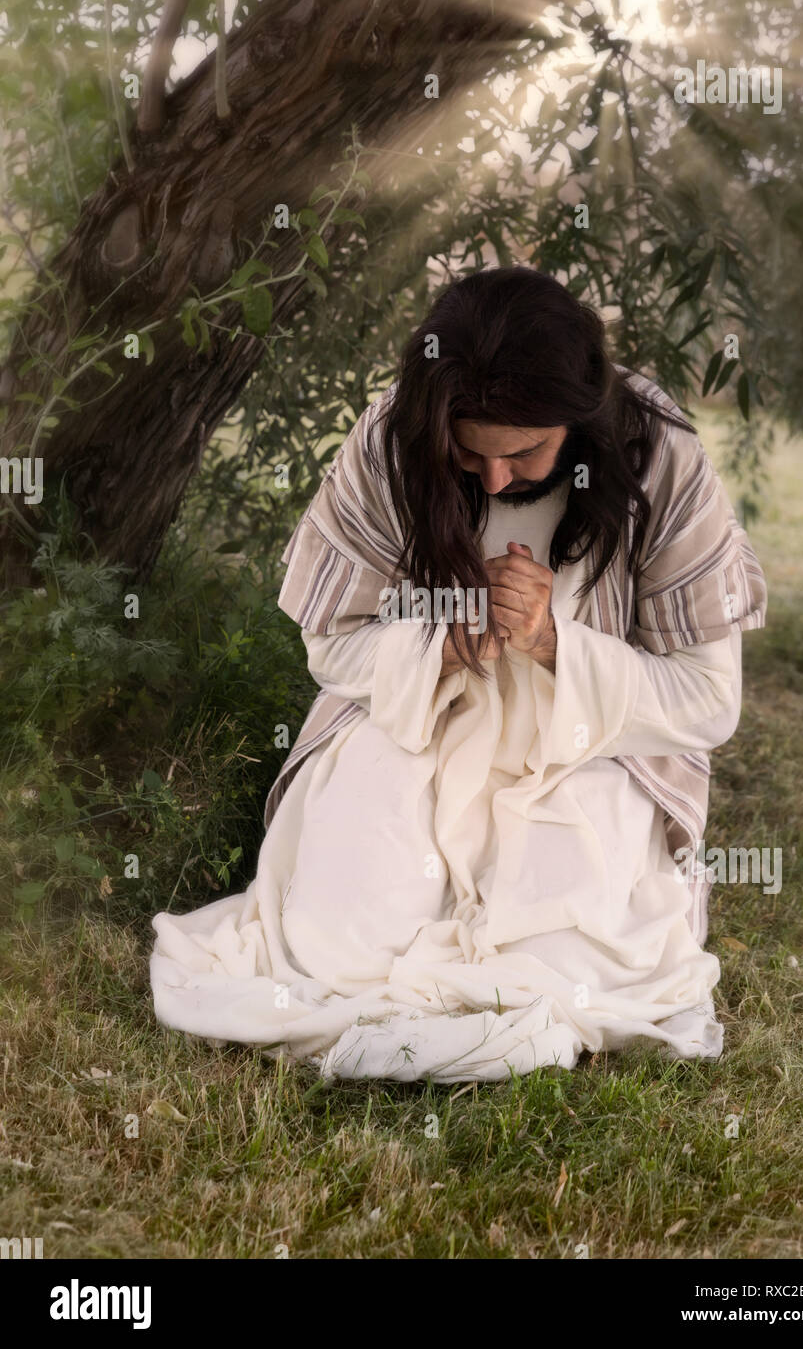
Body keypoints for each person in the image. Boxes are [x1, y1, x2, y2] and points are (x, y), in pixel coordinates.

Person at [150, 266, 768, 1082]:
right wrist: (439, 646)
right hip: (417, 720)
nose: (497, 480)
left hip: (587, 746)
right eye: (471, 455)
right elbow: (330, 645)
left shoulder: (658, 453)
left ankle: (498, 1011)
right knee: (341, 937)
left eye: (525, 452)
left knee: (566, 954)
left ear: (580, 420)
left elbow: (710, 702)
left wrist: (556, 645)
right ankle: (421, 1004)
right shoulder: (392, 440)